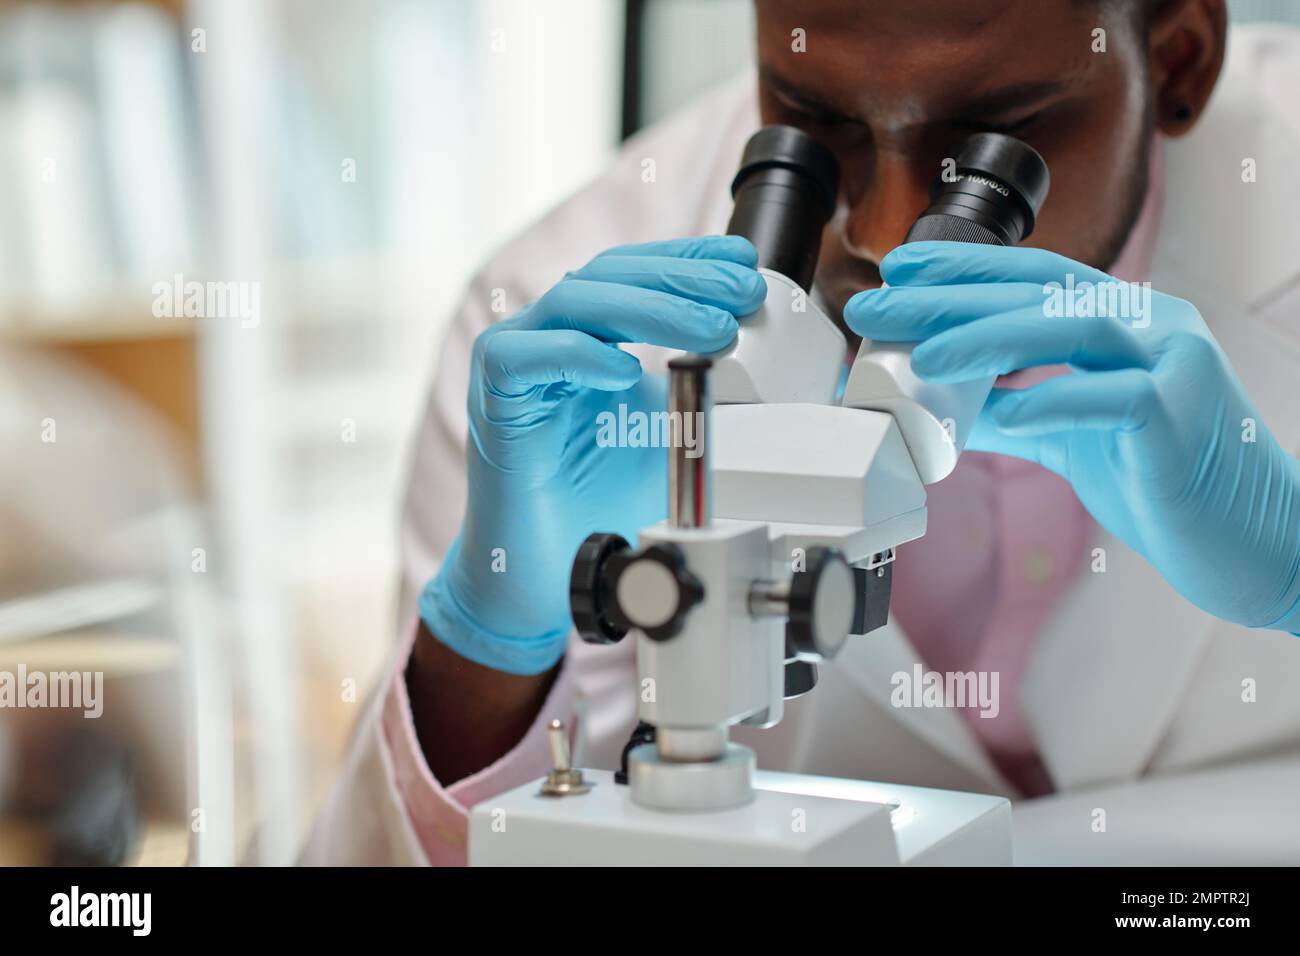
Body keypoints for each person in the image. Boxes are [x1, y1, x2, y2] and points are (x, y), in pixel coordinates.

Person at [302, 0, 1300, 865]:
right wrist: (489, 641)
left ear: (1176, 59)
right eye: (814, 121)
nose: (884, 228)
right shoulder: (553, 327)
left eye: (994, 135)